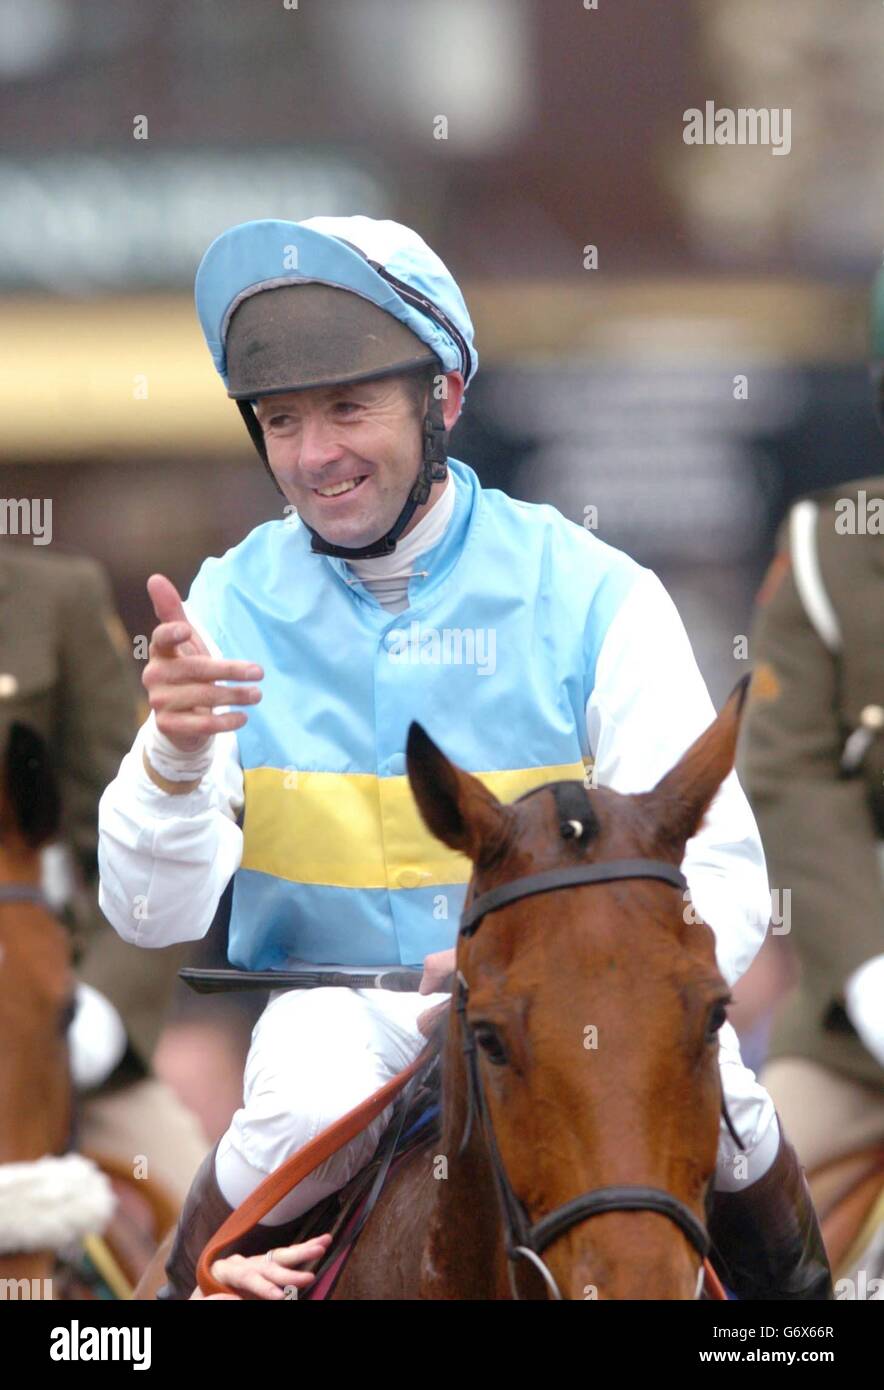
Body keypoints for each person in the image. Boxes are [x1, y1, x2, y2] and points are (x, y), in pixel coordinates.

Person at [98, 215, 833, 1300]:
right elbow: (147, 918)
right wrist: (171, 754)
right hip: (337, 1021)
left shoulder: (599, 594)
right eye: (282, 419)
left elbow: (714, 880)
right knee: (289, 1113)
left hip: (574, 1011)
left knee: (736, 1114)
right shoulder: (223, 605)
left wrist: (562, 973)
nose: (313, 454)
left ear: (440, 399)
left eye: (348, 407)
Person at [0, 547, 207, 1205]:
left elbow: (143, 835)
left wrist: (98, 1013)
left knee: (206, 1225)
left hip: (38, 1024)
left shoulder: (52, 599)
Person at [739, 271, 884, 1169]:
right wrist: (871, 977)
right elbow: (790, 779)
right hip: (858, 1034)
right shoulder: (829, 553)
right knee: (747, 1196)